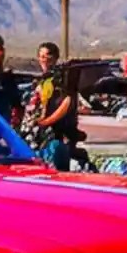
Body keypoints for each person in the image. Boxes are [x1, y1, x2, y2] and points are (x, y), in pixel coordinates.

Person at [19, 42, 76, 170]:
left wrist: (47, 121)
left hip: (54, 131)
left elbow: (67, 101)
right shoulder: (42, 79)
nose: (44, 60)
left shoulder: (59, 78)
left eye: (48, 56)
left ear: (55, 58)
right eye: (41, 56)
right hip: (35, 132)